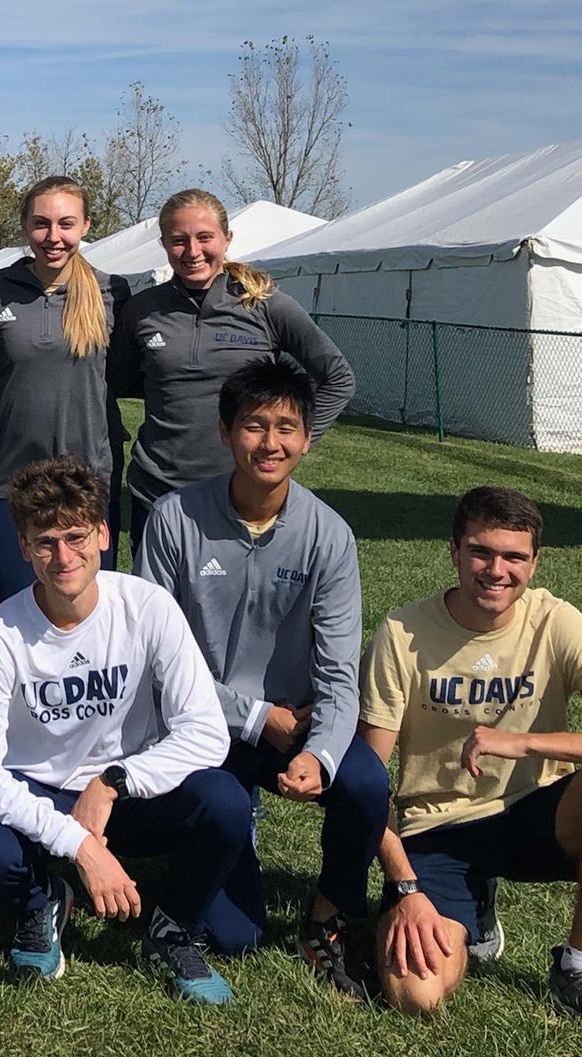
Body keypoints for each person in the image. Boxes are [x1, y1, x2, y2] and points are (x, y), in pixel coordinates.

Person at [364, 486, 582, 1043]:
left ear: (535, 562)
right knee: (417, 997)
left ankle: (580, 968)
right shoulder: (402, 633)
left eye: (514, 557)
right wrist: (406, 889)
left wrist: (529, 744)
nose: (496, 570)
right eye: (481, 552)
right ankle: (471, 908)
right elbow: (366, 781)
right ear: (454, 552)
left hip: (536, 812)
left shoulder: (555, 621)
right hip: (438, 829)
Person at [133, 362, 387, 1000]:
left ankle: (328, 918)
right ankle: (187, 848)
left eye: (285, 427)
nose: (269, 443)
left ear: (306, 439)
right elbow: (156, 659)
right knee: (237, 934)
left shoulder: (329, 535)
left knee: (363, 781)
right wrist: (254, 717)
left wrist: (321, 753)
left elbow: (338, 670)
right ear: (225, 433)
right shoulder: (172, 519)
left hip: (296, 725)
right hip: (199, 727)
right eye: (253, 425)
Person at [0, 456, 247, 1003]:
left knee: (224, 802)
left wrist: (112, 781)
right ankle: (44, 900)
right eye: (45, 542)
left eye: (75, 536)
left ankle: (173, 927)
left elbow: (206, 731)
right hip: (41, 796)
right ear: (23, 547)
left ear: (104, 534)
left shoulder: (146, 606)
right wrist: (81, 847)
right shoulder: (0, 634)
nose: (63, 556)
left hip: (122, 794)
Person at [113, 187, 354, 551]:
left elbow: (338, 378)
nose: (193, 252)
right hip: (156, 492)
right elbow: (114, 381)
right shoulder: (141, 310)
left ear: (227, 239)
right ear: (163, 244)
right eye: (179, 241)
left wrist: (294, 441)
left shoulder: (265, 304)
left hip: (241, 493)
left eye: (205, 237)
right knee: (156, 607)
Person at [0, 176, 132, 605]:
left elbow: (123, 375)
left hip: (88, 479)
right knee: (14, 611)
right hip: (13, 478)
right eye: (41, 224)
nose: (53, 237)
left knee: (85, 612)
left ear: (86, 225)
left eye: (66, 224)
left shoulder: (112, 293)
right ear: (25, 225)